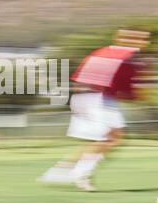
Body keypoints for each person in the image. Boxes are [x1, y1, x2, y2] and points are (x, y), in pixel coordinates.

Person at [39, 29, 149, 191]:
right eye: (139, 39)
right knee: (110, 140)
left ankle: (60, 171)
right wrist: (138, 95)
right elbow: (128, 91)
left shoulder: (102, 52)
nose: (143, 43)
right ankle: (79, 174)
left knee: (107, 140)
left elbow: (81, 77)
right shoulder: (128, 57)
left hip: (87, 97)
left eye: (144, 39)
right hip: (97, 98)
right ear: (124, 39)